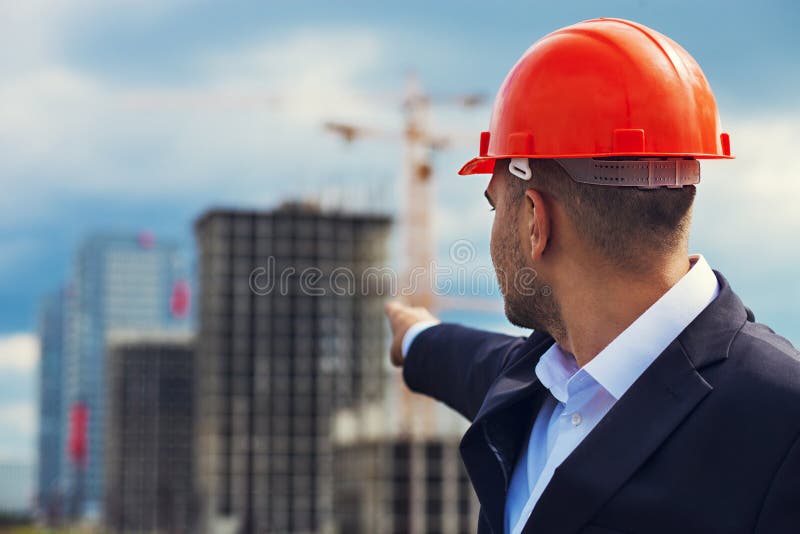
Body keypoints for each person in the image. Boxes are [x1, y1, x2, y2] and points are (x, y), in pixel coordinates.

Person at [384, 18, 800, 534]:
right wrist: (416, 336)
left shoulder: (786, 423)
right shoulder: (540, 377)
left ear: (536, 221)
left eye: (494, 204)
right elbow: (469, 361)